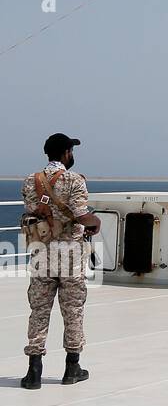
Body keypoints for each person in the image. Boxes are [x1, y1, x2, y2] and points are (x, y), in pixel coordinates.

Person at [19, 133, 100, 389]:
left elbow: (34, 211)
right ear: (66, 153)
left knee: (39, 310)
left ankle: (33, 372)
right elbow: (80, 215)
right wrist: (95, 223)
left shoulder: (31, 181)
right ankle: (72, 368)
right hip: (71, 256)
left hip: (42, 253)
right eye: (71, 150)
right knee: (73, 309)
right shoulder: (75, 180)